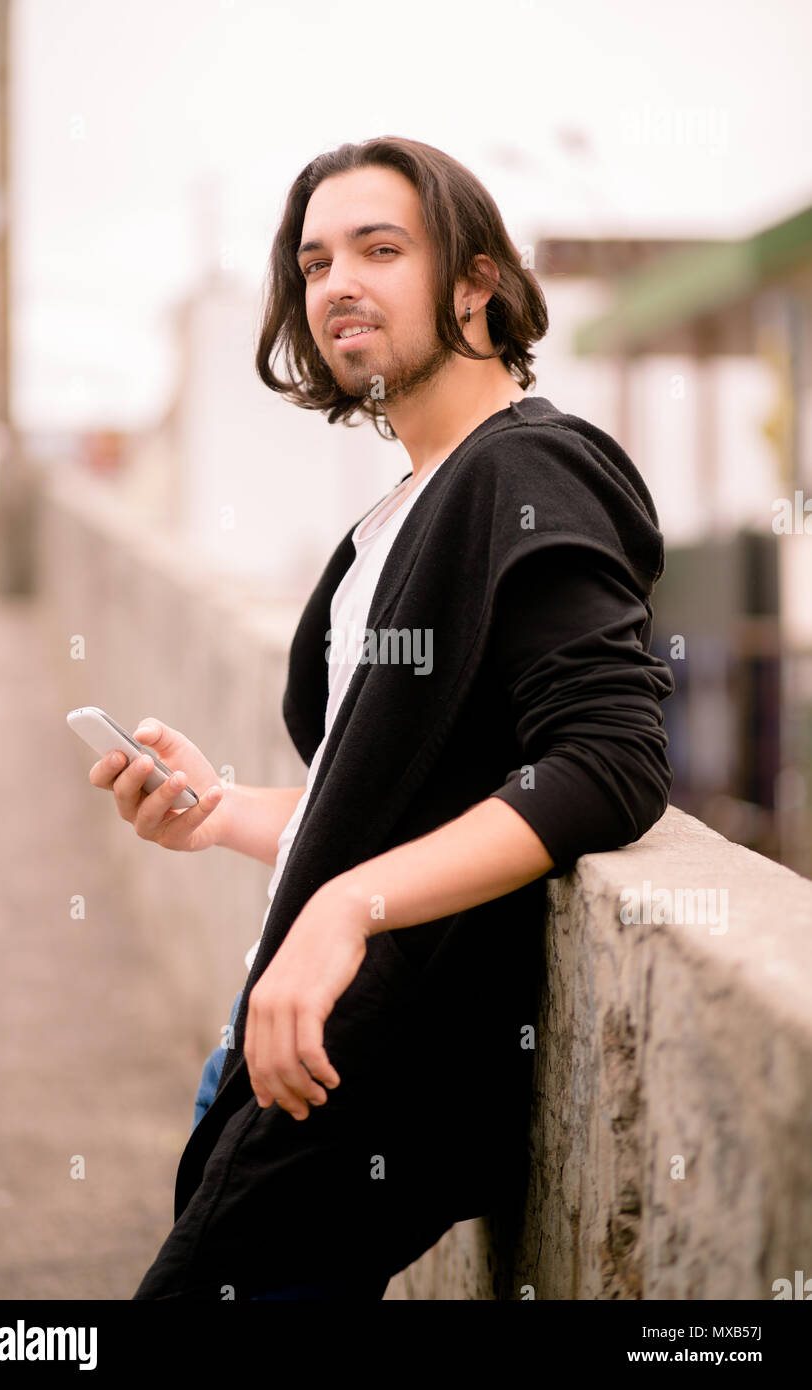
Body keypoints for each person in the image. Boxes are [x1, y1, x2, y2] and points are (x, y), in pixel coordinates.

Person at [89, 136, 675, 1301]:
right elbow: (411, 794)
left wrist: (343, 910)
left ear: (476, 283)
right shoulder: (399, 511)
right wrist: (227, 815)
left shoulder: (530, 470)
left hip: (367, 1063)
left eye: (379, 248)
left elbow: (608, 761)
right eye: (312, 262)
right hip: (279, 1047)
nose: (336, 283)